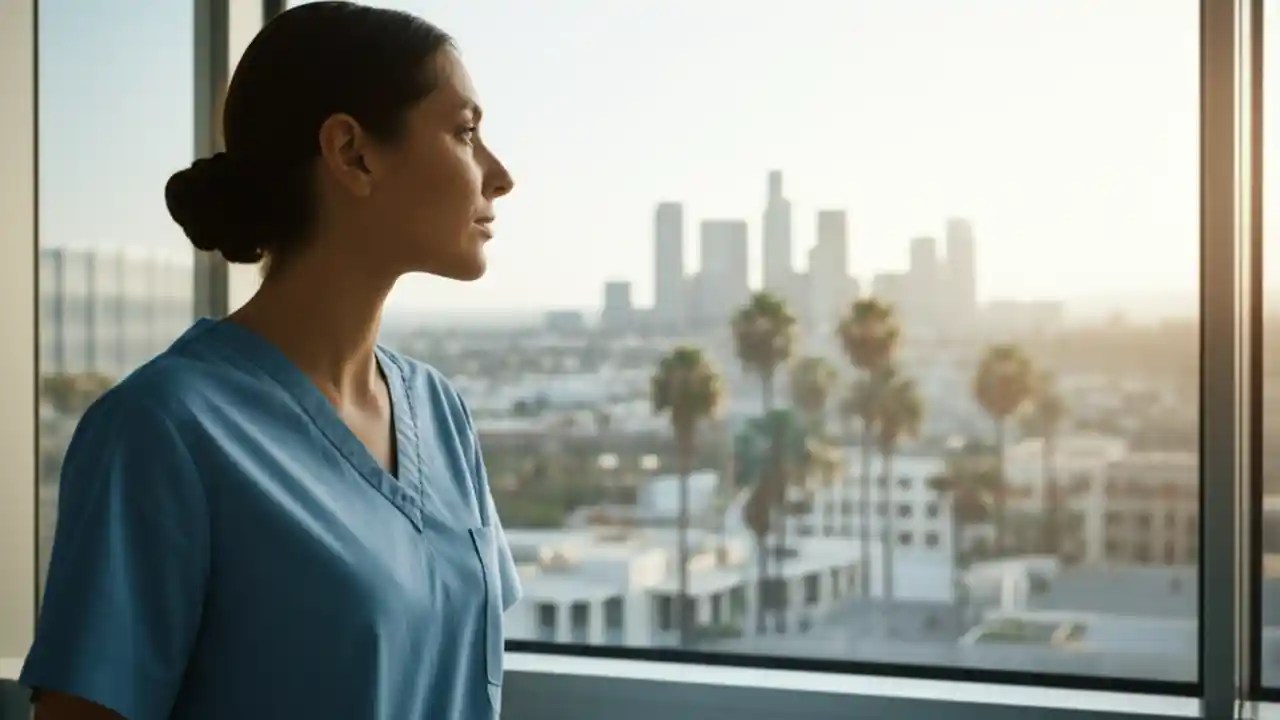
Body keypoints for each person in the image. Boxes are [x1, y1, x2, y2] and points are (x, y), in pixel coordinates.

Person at [20, 2, 520, 718]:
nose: (499, 175)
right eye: (465, 133)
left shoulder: (440, 411)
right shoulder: (162, 431)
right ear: (352, 153)